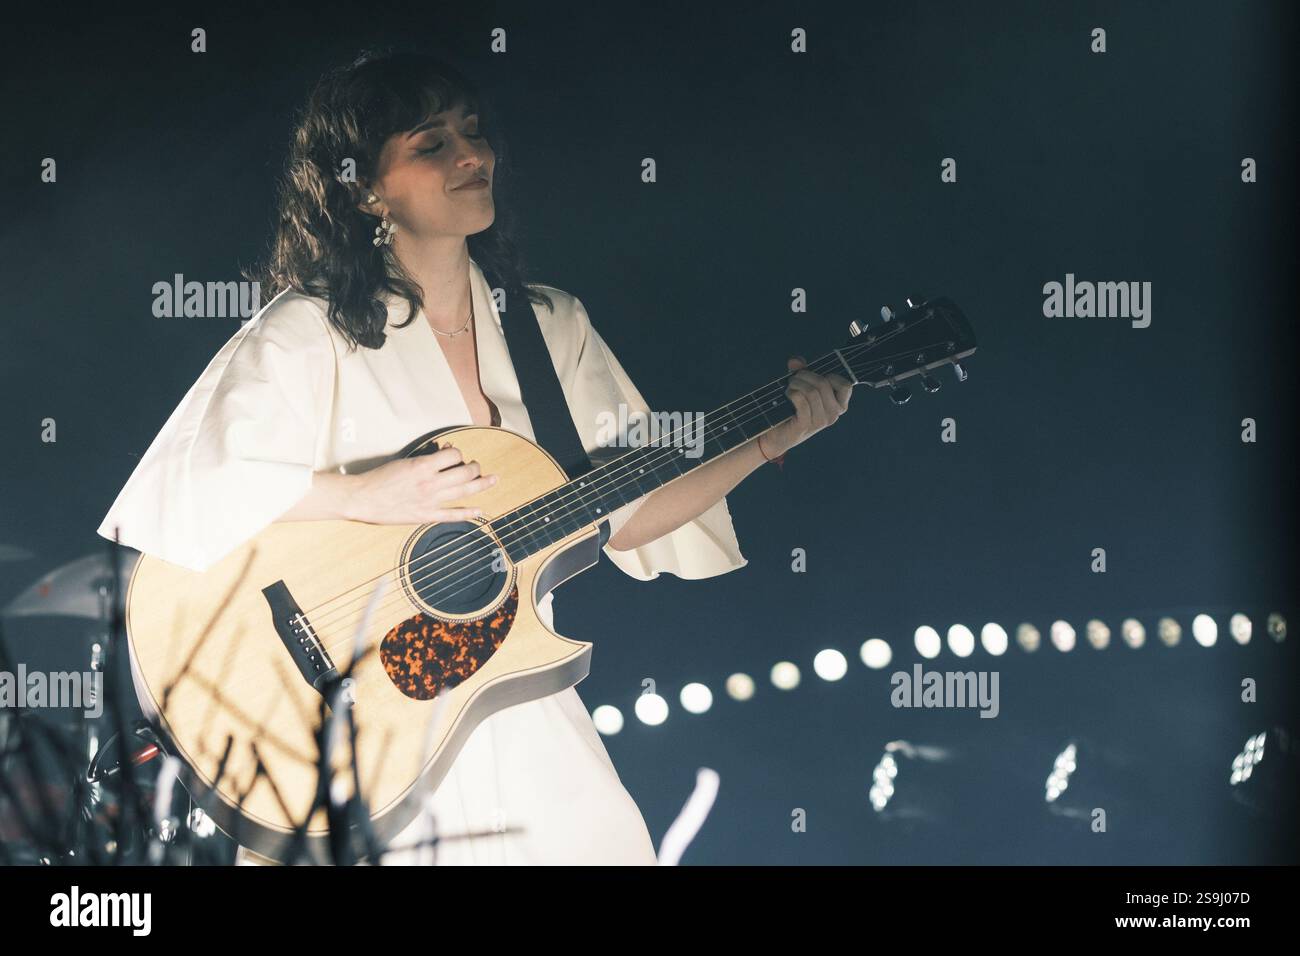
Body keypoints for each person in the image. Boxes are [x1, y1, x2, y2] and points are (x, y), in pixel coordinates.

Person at [96, 48, 851, 865]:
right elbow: (186, 497)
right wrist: (363, 495)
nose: (473, 156)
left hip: (517, 710)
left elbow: (627, 517)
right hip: (360, 729)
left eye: (475, 133)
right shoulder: (310, 327)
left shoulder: (550, 325)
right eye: (431, 144)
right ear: (362, 186)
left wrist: (772, 436)